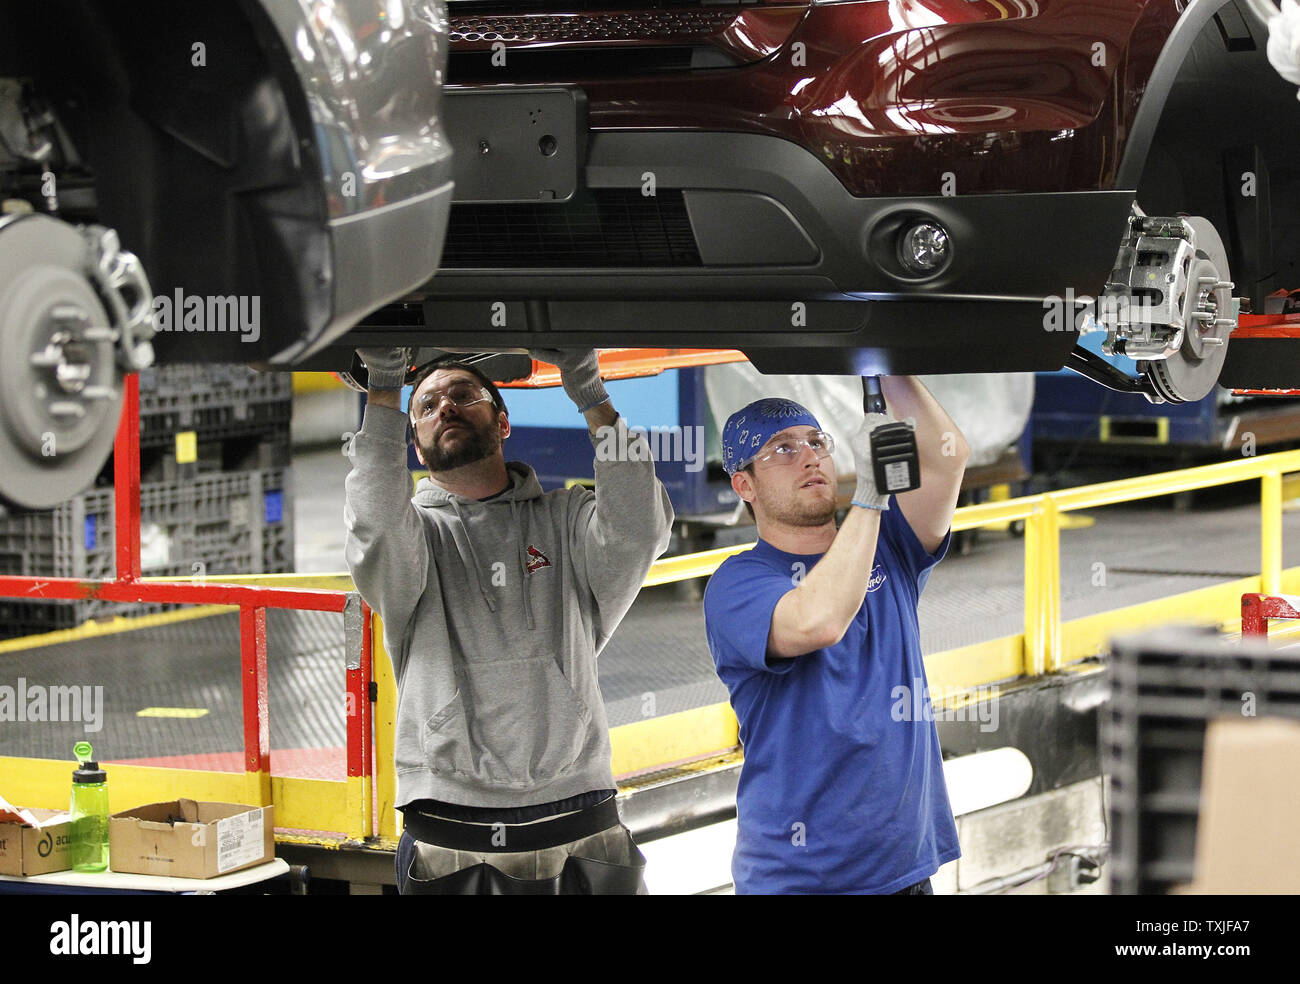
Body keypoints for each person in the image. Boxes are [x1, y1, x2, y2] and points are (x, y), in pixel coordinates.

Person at [344, 347, 673, 894]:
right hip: (453, 819)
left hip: (579, 809)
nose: (445, 406)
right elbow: (375, 524)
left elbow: (641, 524)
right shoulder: (412, 542)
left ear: (503, 422)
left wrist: (589, 392)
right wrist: (382, 391)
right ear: (417, 449)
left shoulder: (566, 520)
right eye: (425, 407)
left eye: (462, 395)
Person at [702, 378, 969, 894]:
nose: (809, 457)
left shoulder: (889, 544)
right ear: (745, 486)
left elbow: (948, 456)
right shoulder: (737, 584)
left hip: (907, 871)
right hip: (803, 881)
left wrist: (889, 366)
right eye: (782, 449)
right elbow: (819, 620)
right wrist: (871, 495)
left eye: (817, 442)